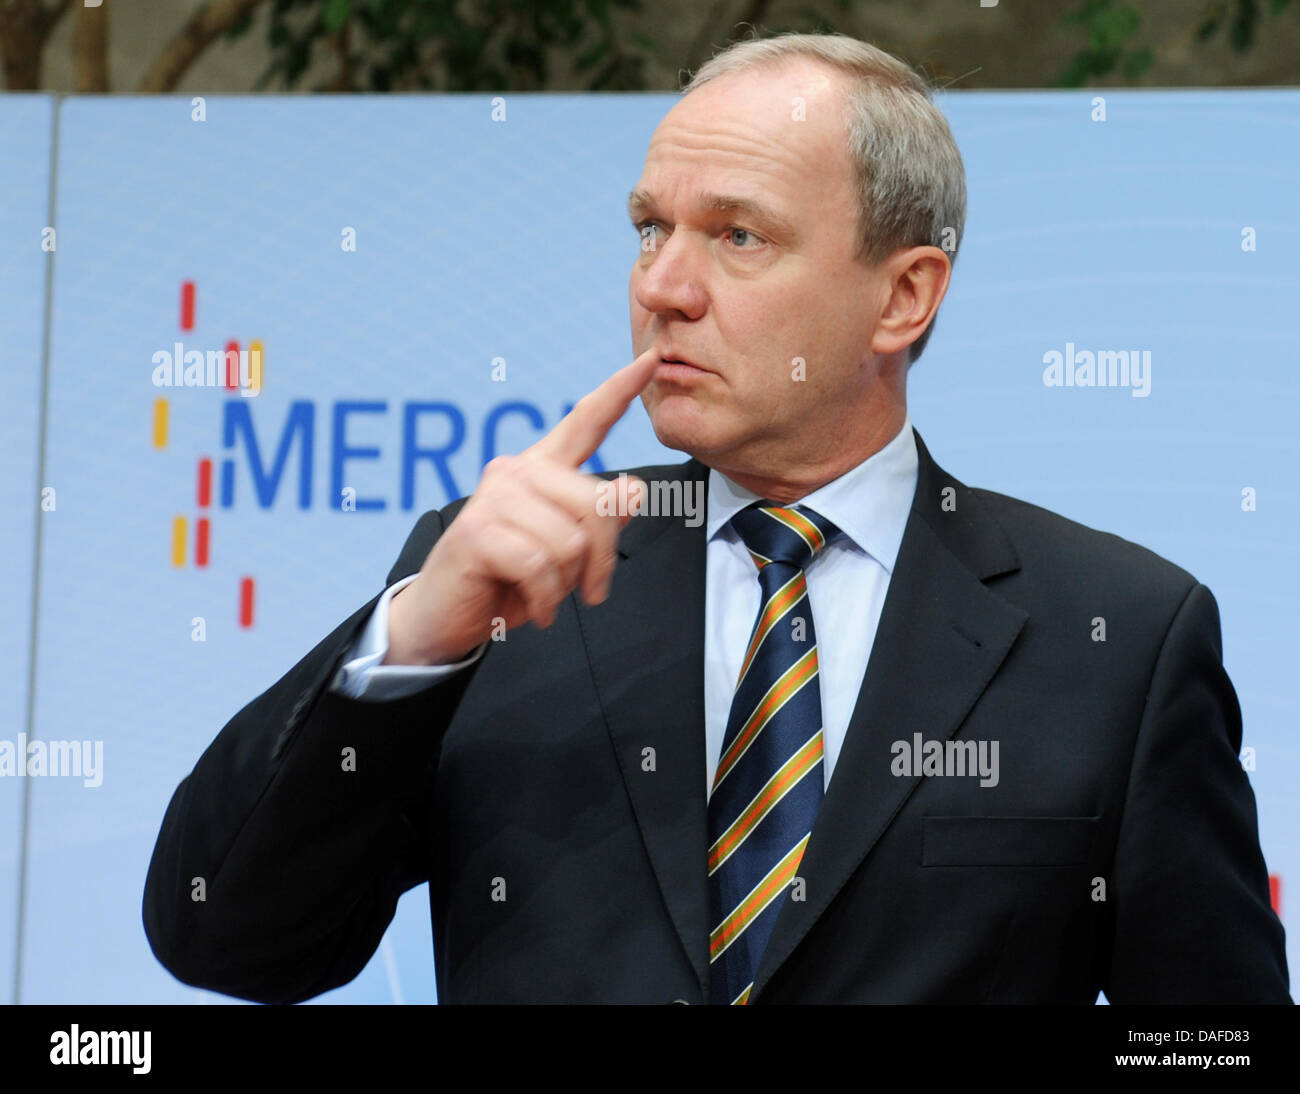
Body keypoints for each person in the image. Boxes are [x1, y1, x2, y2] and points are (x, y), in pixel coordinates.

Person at [142, 33, 1289, 1005]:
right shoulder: (507, 579)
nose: (663, 286)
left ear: (903, 294)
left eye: (737, 236)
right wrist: (408, 644)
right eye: (651, 229)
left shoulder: (1117, 632)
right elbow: (224, 935)